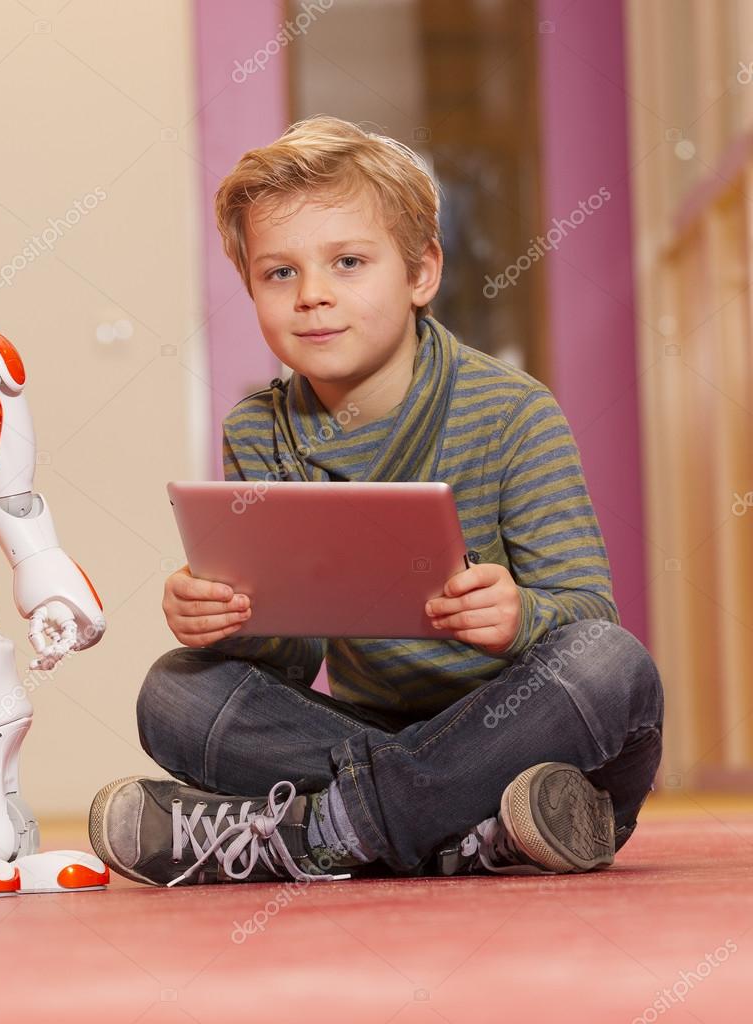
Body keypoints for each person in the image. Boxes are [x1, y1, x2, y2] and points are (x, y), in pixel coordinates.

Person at [88, 116, 664, 887]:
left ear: (421, 274)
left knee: (611, 665)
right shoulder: (259, 431)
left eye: (349, 262)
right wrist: (230, 618)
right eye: (279, 273)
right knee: (176, 693)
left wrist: (520, 616)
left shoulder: (512, 413)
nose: (313, 296)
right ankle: (462, 834)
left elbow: (589, 612)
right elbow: (291, 660)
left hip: (520, 733)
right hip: (389, 742)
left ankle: (321, 832)